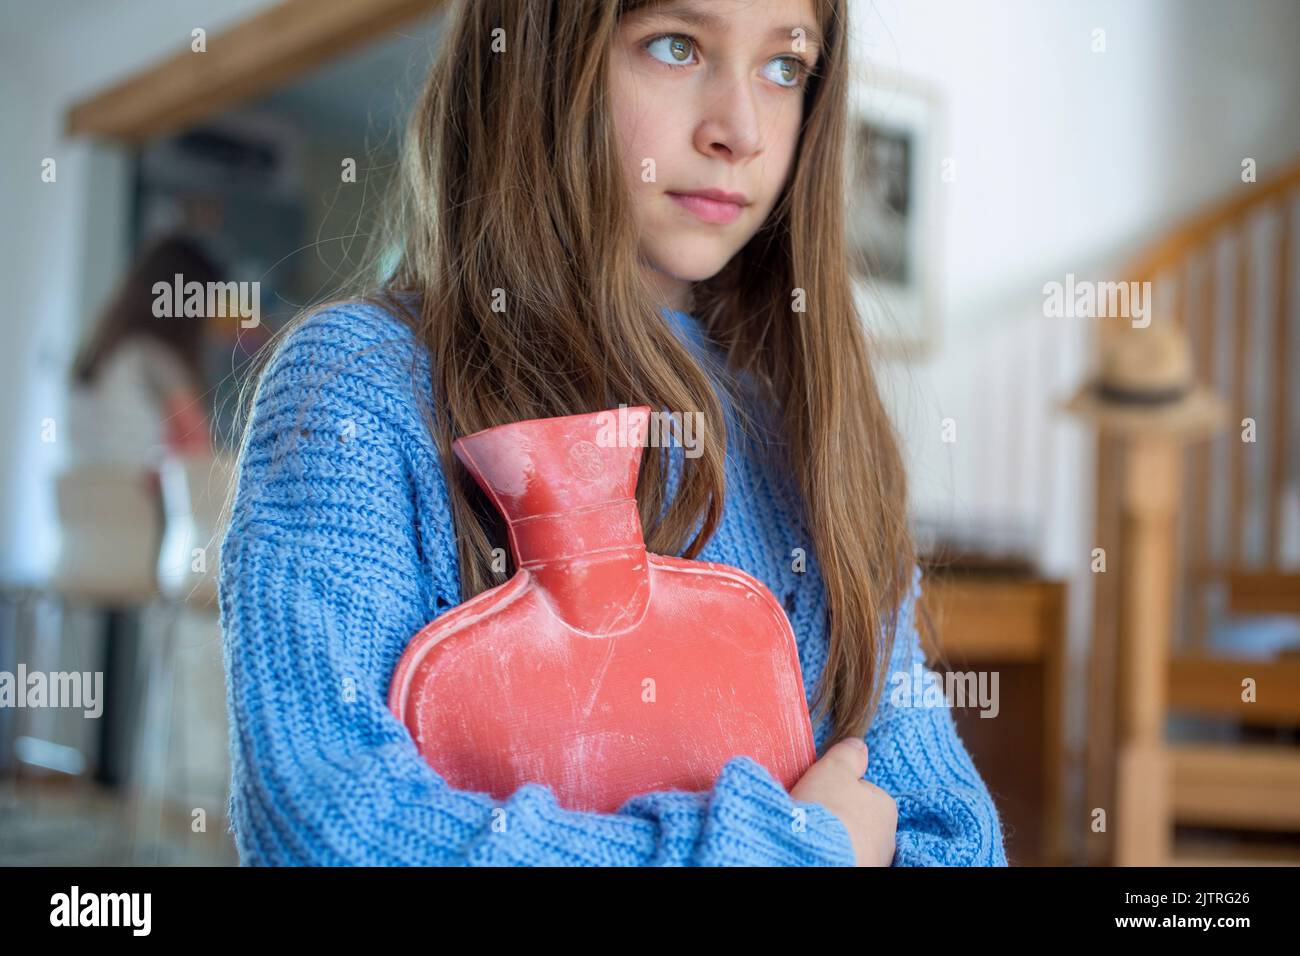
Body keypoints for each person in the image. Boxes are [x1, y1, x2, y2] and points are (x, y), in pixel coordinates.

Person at [218, 0, 1007, 866]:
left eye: (785, 66)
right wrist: (796, 848)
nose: (740, 130)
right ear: (538, 58)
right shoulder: (358, 387)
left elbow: (951, 835)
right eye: (676, 46)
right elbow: (332, 832)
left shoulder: (813, 433)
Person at [67, 234, 216, 468]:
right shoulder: (155, 358)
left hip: (90, 499)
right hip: (138, 501)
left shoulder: (96, 355)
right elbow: (201, 456)